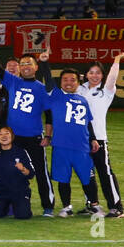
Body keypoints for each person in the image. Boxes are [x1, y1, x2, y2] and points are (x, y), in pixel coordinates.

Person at [0, 37, 55, 215]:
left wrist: (47, 136)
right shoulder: (13, 81)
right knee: (8, 168)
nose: (25, 66)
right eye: (22, 64)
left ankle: (48, 206)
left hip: (33, 138)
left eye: (29, 63)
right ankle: (8, 201)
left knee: (40, 171)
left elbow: (49, 114)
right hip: (13, 138)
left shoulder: (41, 88)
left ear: (36, 67)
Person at [44, 69, 102, 218]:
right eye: (65, 80)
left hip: (82, 147)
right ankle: (66, 207)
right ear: (61, 82)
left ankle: (94, 205)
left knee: (88, 178)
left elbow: (88, 122)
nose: (69, 82)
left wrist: (93, 138)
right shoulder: (56, 96)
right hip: (61, 146)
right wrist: (44, 63)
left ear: (78, 82)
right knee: (63, 179)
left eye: (72, 80)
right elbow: (48, 79)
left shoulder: (83, 100)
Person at [77, 54, 124, 218]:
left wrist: (116, 61)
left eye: (98, 72)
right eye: (91, 72)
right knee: (86, 173)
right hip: (81, 139)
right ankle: (91, 204)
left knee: (105, 173)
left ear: (103, 75)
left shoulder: (106, 91)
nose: (94, 75)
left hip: (100, 139)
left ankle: (116, 207)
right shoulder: (79, 89)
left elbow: (112, 77)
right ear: (86, 74)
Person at [0, 126, 35, 219]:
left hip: (20, 191)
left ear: (12, 136)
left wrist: (23, 169)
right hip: (1, 192)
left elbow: (31, 174)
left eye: (7, 133)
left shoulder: (21, 152)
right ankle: (7, 207)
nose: (4, 136)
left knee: (23, 215)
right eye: (0, 134)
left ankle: (18, 205)